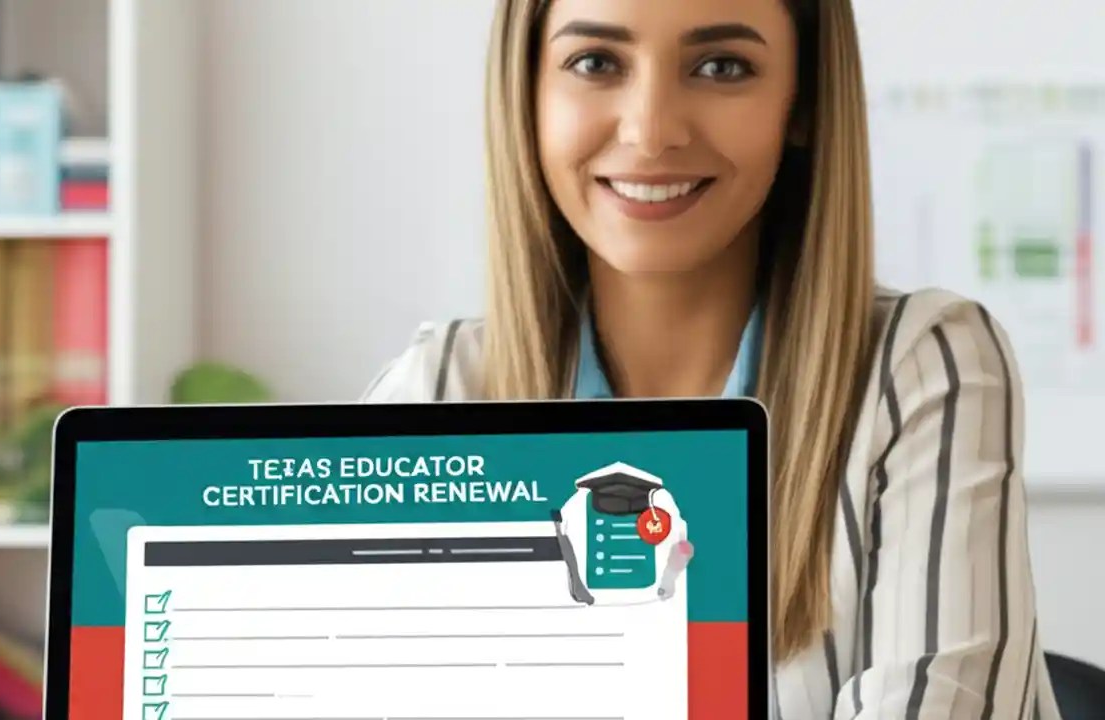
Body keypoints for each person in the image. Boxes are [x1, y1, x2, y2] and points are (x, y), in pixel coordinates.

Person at [361, 0, 1062, 717]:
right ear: (527, 97)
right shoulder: (435, 393)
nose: (651, 131)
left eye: (721, 67)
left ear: (804, 105)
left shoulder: (920, 368)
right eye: (596, 63)